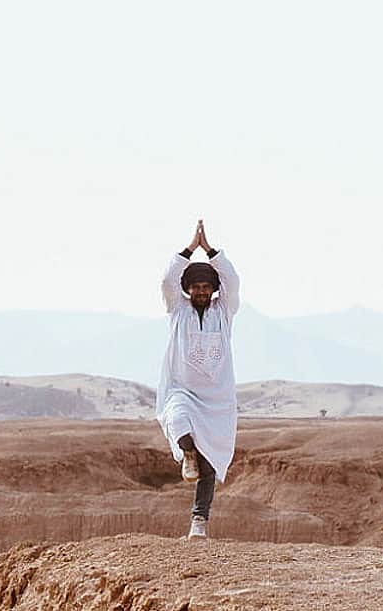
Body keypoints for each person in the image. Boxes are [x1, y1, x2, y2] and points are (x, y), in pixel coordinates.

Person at [156, 219, 240, 540]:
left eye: (206, 286)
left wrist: (211, 251)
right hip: (182, 390)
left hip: (217, 400)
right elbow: (167, 280)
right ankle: (187, 453)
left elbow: (232, 280)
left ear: (212, 290)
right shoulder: (178, 310)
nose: (201, 291)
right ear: (189, 290)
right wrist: (190, 249)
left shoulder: (225, 312)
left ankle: (199, 523)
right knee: (176, 418)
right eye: (196, 287)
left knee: (209, 466)